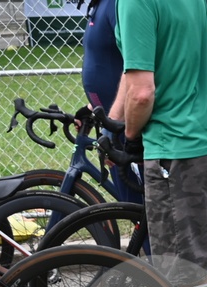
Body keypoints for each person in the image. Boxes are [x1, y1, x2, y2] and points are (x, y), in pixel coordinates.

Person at [111, 0, 207, 287]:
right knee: (200, 267)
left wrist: (129, 136)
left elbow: (141, 93)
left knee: (182, 279)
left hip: (177, 146)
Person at [79, 0, 142, 205]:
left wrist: (113, 122)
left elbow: (136, 63)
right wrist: (92, 108)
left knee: (141, 204)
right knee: (130, 203)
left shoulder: (119, 4)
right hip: (111, 117)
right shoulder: (99, 4)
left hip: (125, 119)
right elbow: (105, 60)